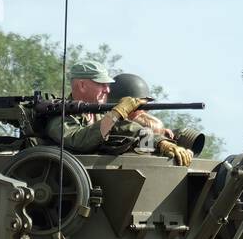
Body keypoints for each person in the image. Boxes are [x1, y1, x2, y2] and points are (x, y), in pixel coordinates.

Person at [44, 60, 192, 166]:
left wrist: (162, 143)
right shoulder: (58, 114)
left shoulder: (100, 114)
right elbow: (79, 141)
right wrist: (117, 113)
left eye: (107, 85)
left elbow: (128, 129)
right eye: (101, 84)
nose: (107, 90)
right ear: (82, 85)